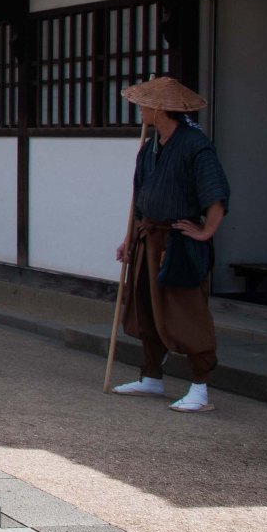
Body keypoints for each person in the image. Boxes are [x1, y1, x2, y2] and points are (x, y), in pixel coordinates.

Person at [112, 76, 230, 414]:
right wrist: (129, 237)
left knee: (184, 310)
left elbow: (216, 196)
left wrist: (205, 232)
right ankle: (151, 376)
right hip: (148, 237)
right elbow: (141, 198)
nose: (141, 111)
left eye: (144, 105)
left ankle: (201, 386)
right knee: (146, 307)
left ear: (161, 108)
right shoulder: (150, 145)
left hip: (177, 242)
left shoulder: (196, 145)